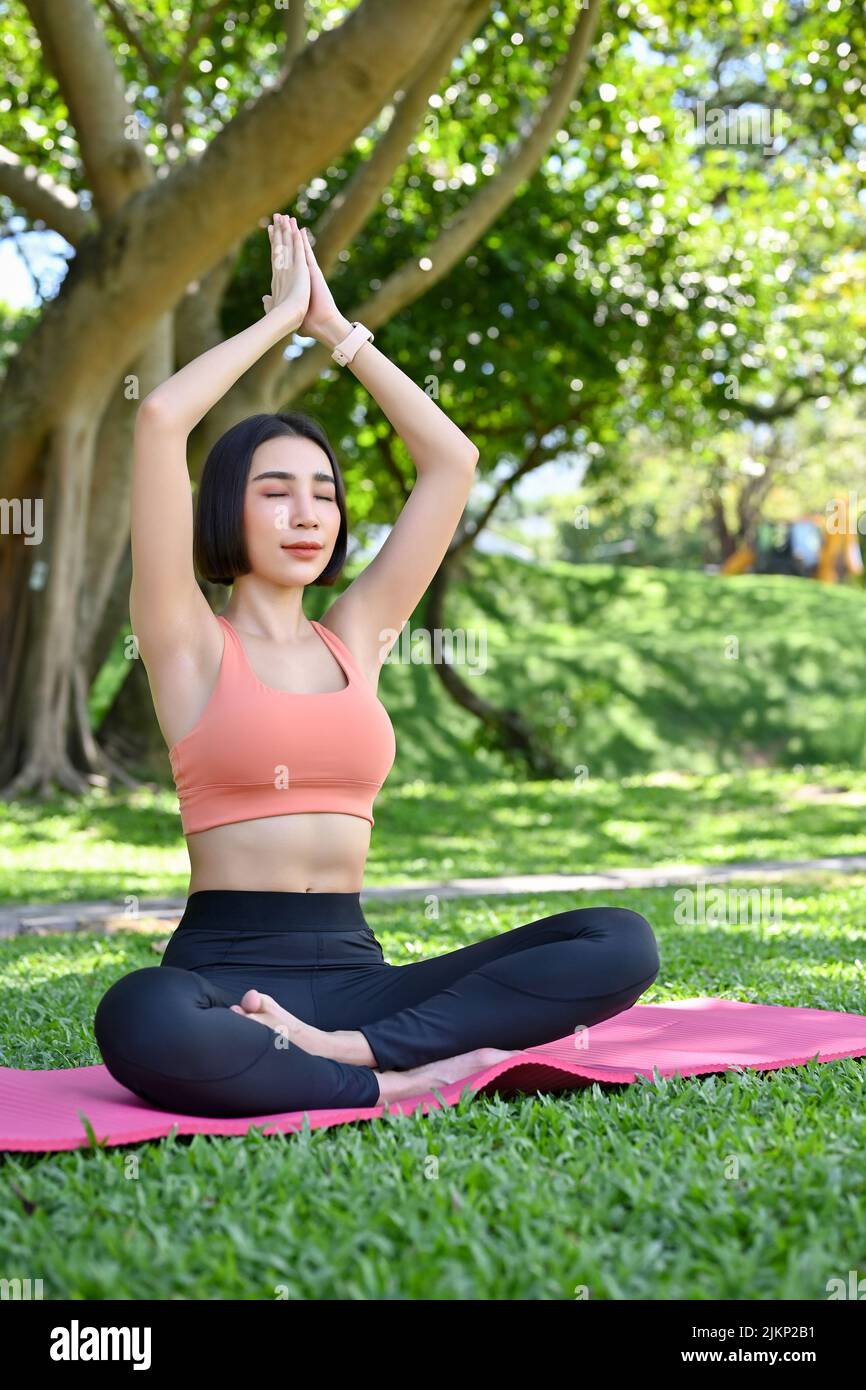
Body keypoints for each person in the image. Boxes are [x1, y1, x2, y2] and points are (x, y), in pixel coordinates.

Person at [93, 214, 660, 1118]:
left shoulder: (354, 635)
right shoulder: (187, 638)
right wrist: (278, 322)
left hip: (360, 983)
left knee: (619, 940)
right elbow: (161, 420)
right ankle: (392, 1084)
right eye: (274, 492)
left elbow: (451, 462)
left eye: (323, 493)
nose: (306, 512)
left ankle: (348, 1057)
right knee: (138, 1015)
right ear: (225, 514)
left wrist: (340, 333)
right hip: (225, 976)